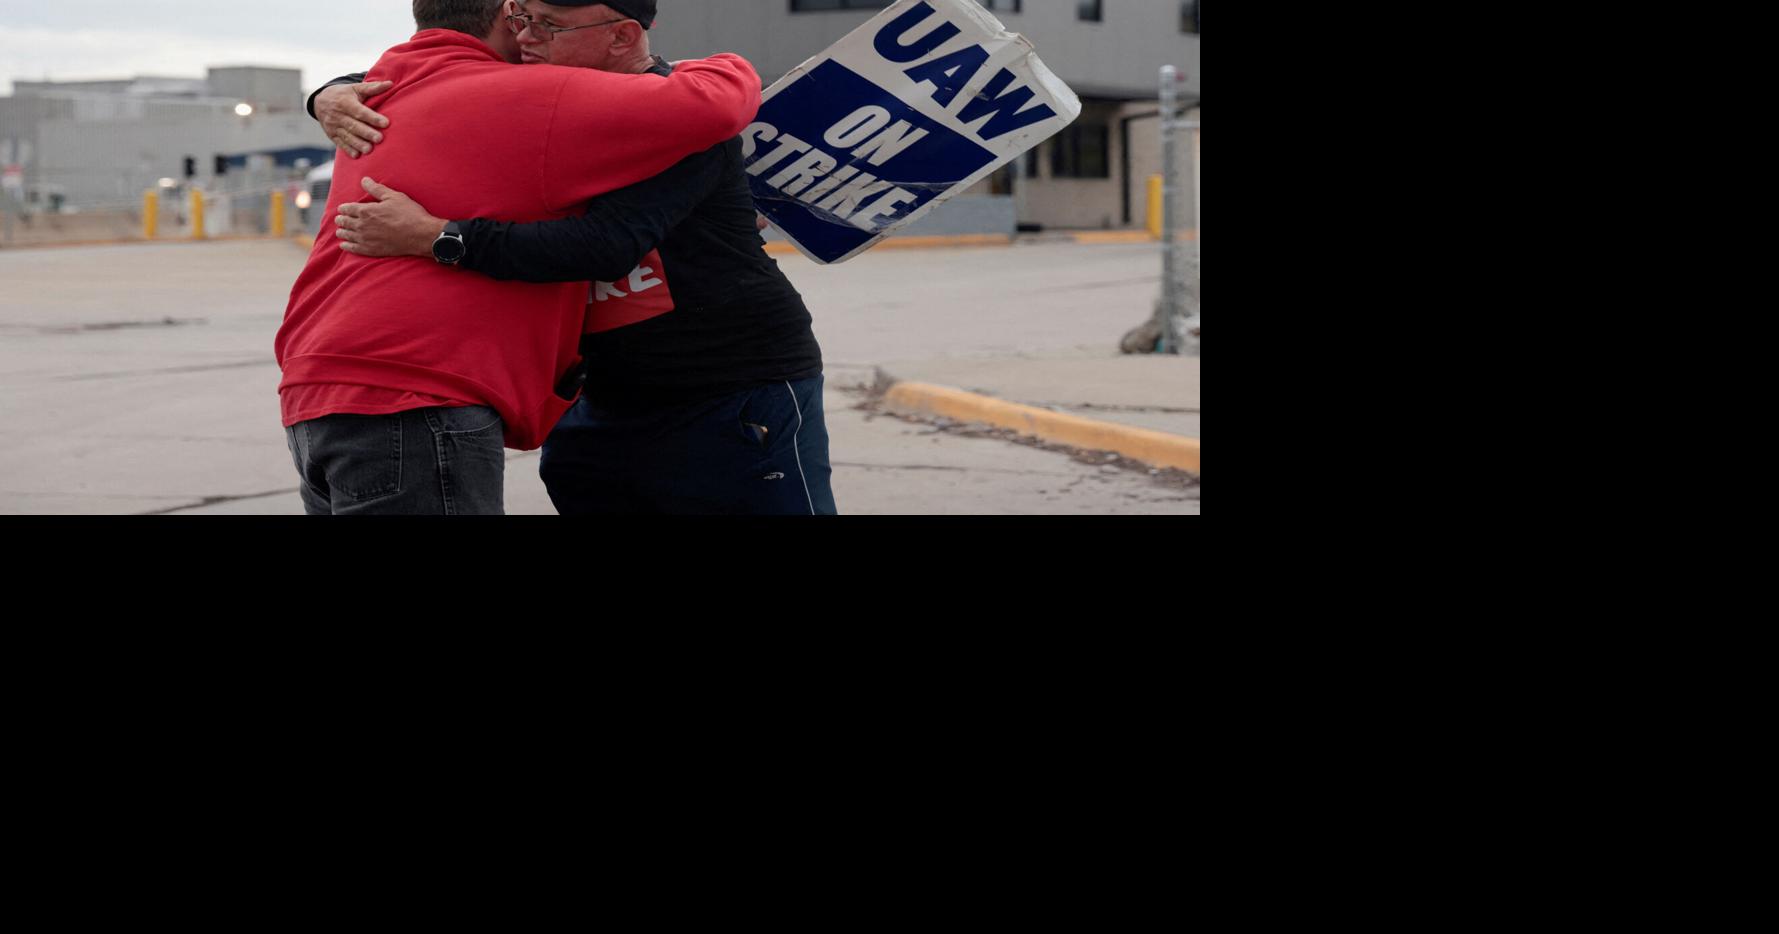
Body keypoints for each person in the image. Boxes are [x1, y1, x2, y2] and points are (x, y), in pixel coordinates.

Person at [315, 0, 837, 516]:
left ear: (621, 36)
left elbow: (605, 246)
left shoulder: (677, 112)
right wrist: (330, 93)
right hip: (597, 401)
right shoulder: (535, 93)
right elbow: (438, 72)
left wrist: (439, 237)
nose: (525, 38)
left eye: (549, 26)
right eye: (522, 19)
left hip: (728, 386)